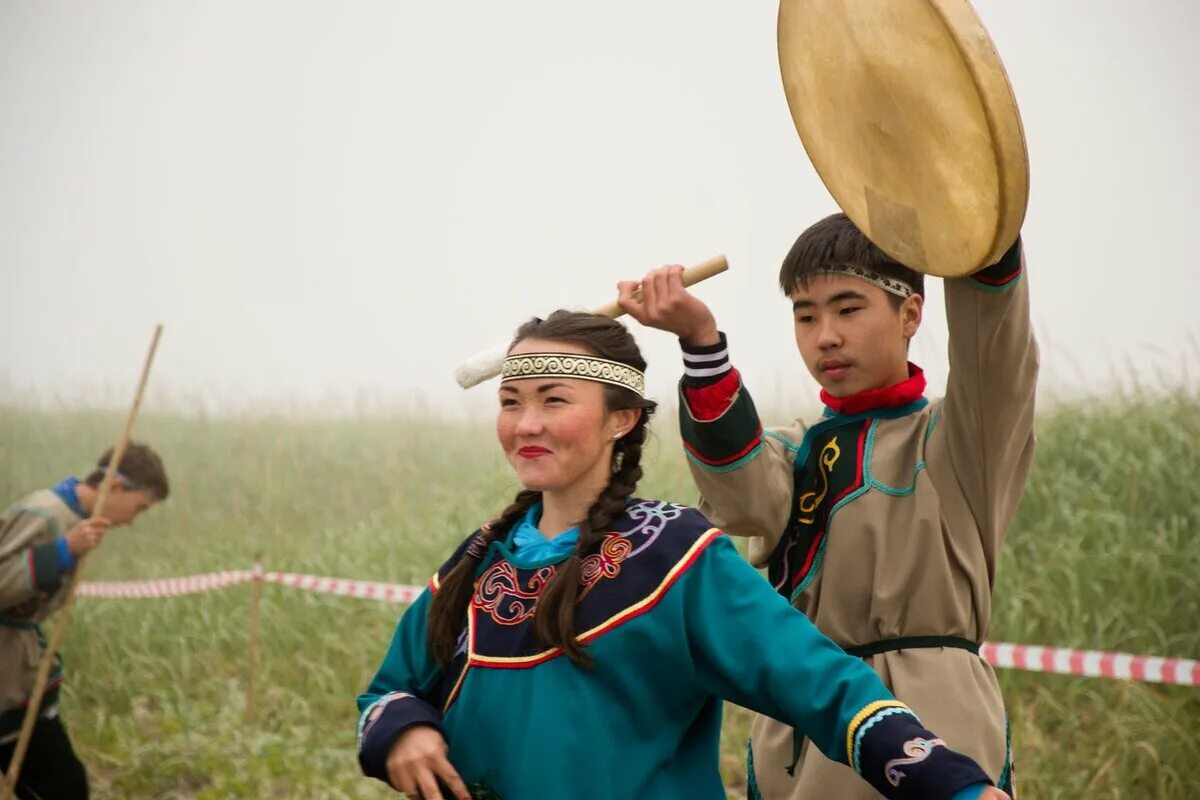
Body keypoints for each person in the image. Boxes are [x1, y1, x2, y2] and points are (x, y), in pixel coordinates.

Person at [356, 310, 1011, 800]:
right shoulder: (478, 564)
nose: (526, 424)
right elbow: (391, 690)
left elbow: (819, 682)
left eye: (554, 400)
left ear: (622, 420)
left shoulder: (673, 557)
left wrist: (952, 784)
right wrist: (406, 729)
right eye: (510, 402)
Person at [618, 214, 1035, 799]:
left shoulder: (961, 440)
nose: (826, 336)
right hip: (805, 722)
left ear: (911, 313)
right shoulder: (793, 448)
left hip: (937, 723)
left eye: (848, 309)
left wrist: (976, 219)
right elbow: (739, 492)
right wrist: (700, 341)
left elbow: (995, 348)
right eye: (805, 315)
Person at [0, 443, 169, 800]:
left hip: (19, 675)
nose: (132, 521)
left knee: (63, 786)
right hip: (5, 678)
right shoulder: (45, 515)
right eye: (139, 507)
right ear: (117, 487)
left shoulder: (78, 523)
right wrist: (62, 552)